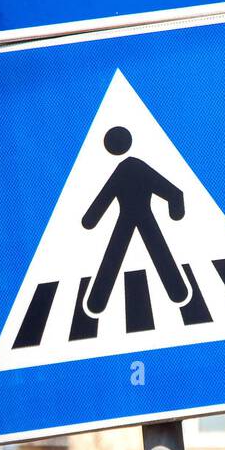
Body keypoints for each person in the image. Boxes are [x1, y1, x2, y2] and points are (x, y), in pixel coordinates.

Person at [82, 126, 189, 315]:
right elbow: (172, 192)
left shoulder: (127, 168)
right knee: (156, 251)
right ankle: (178, 292)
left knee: (116, 254)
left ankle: (97, 302)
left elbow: (105, 196)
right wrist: (175, 210)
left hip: (131, 217)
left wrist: (91, 219)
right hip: (138, 216)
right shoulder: (134, 167)